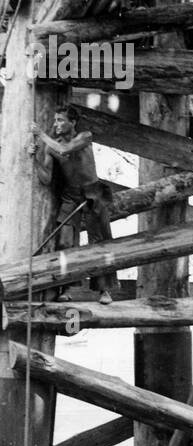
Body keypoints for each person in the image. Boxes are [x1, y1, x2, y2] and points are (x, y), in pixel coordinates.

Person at [33, 106, 117, 303]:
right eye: (55, 120)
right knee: (66, 241)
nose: (57, 124)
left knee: (99, 240)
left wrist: (41, 134)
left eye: (61, 120)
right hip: (71, 196)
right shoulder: (51, 145)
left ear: (73, 123)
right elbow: (46, 178)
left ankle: (104, 291)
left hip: (93, 192)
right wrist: (34, 158)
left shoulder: (84, 137)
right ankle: (67, 289)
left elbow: (65, 149)